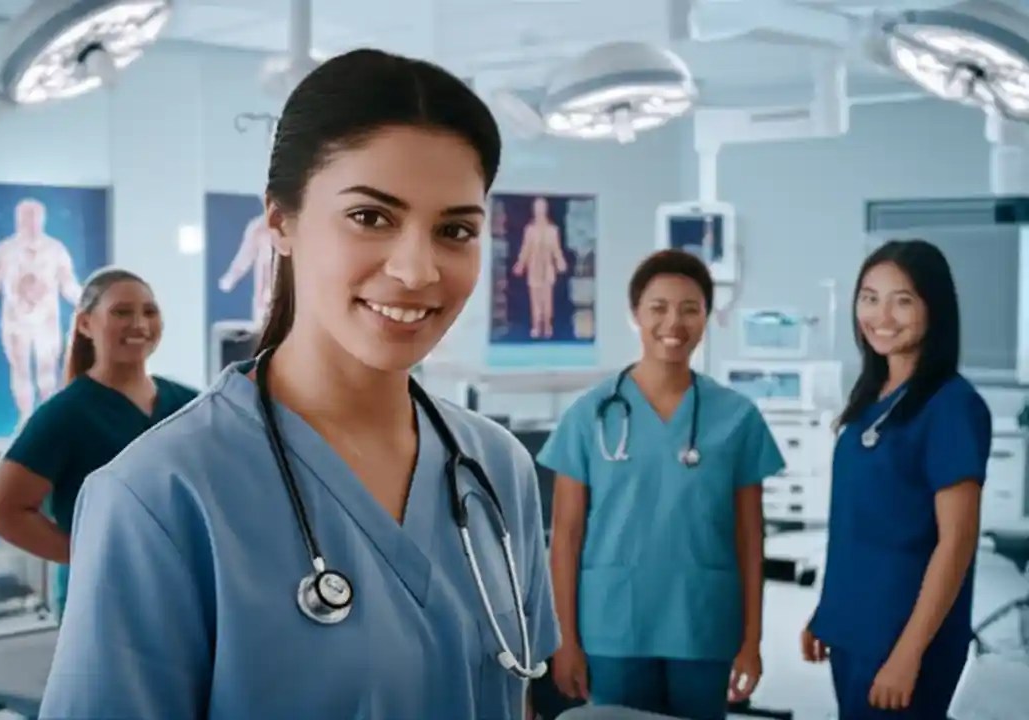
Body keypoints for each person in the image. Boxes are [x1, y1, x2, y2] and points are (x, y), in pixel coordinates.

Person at [38, 48, 559, 720]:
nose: (417, 269)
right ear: (280, 221)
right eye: (371, 217)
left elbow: (515, 697)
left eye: (455, 230)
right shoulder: (160, 495)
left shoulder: (496, 473)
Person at [537, 250, 784, 720]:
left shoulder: (737, 418)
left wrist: (751, 641)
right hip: (612, 629)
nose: (674, 321)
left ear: (707, 317)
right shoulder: (591, 414)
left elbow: (751, 539)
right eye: (659, 307)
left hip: (703, 626)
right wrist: (564, 640)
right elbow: (564, 538)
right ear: (636, 314)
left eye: (690, 308)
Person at [802, 239, 989, 718]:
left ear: (935, 309)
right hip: (855, 628)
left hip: (904, 636)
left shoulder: (951, 406)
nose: (881, 315)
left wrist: (908, 654)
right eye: (869, 297)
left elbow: (957, 541)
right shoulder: (872, 397)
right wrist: (829, 612)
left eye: (902, 300)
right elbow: (858, 524)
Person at [0, 267, 199, 619]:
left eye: (149, 311)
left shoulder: (189, 403)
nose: (139, 324)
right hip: (103, 598)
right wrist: (87, 556)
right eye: (121, 312)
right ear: (85, 324)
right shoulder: (68, 413)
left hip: (179, 588)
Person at [0, 198, 83, 426]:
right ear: (17, 219)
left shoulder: (55, 250)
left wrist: (91, 302)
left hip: (46, 322)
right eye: (25, 217)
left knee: (47, 374)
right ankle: (26, 420)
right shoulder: (4, 250)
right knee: (20, 370)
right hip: (15, 323)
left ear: (43, 219)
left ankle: (49, 421)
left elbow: (69, 285)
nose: (30, 222)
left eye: (35, 216)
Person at [511, 196, 567, 339]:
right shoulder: (529, 230)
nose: (539, 211)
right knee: (535, 302)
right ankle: (536, 326)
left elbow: (556, 249)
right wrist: (520, 264)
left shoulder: (552, 230)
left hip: (548, 270)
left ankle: (547, 326)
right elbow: (525, 249)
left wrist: (560, 262)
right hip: (534, 269)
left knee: (547, 301)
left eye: (542, 208)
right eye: (537, 208)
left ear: (545, 210)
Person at [218, 200, 274, 328]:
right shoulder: (258, 228)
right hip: (264, 295)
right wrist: (231, 277)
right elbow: (245, 257)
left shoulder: (297, 228)